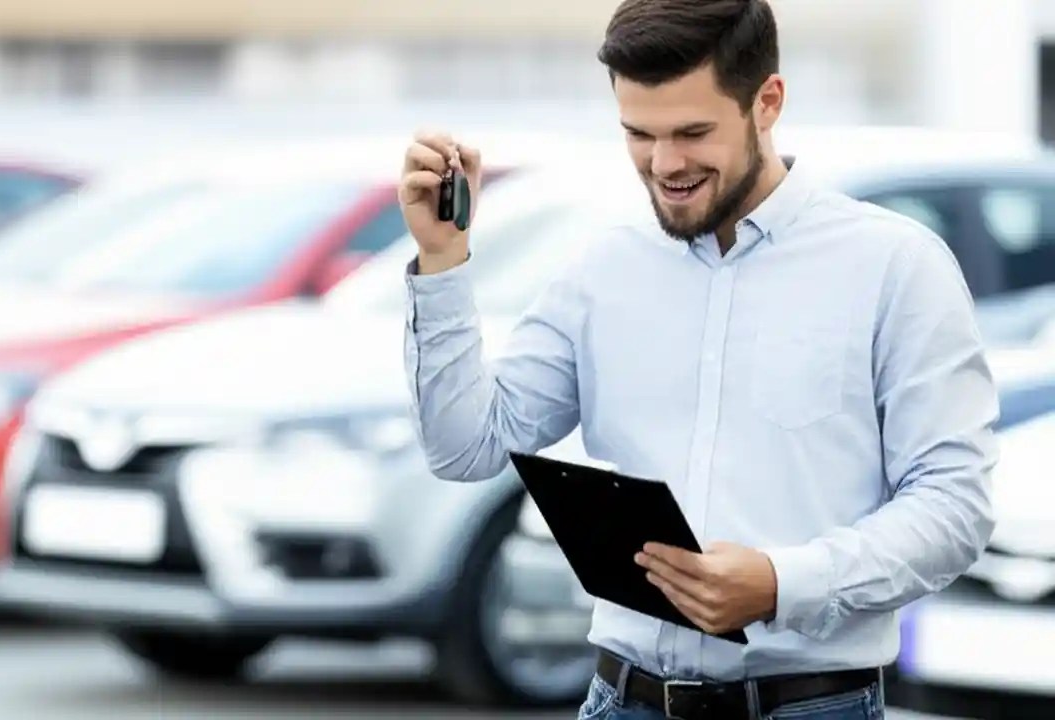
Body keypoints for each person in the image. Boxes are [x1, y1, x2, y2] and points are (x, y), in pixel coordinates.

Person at [396, 0, 998, 718]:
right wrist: (442, 260)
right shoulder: (603, 269)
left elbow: (954, 507)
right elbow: (465, 447)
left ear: (766, 102)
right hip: (620, 699)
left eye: (692, 132)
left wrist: (782, 581)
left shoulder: (897, 268)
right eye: (639, 134)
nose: (665, 163)